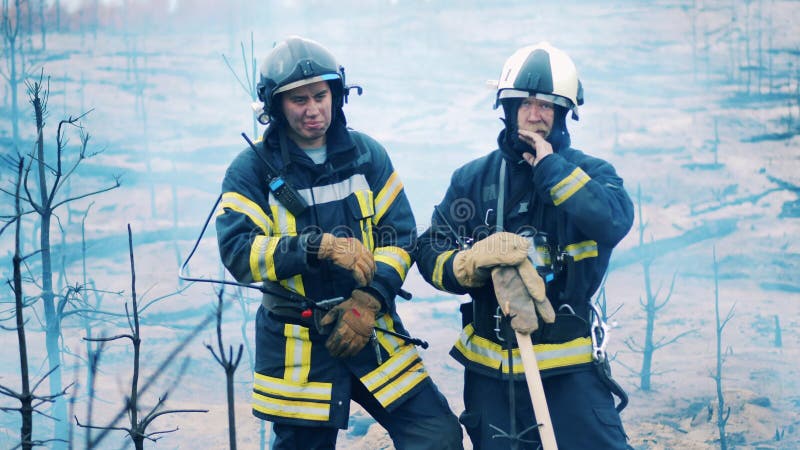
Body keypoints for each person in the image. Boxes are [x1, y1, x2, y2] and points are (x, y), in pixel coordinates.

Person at [216, 36, 463, 450]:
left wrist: (369, 300)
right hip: (297, 346)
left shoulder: (367, 156)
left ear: (337, 94)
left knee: (437, 436)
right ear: (275, 106)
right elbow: (239, 252)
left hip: (369, 327)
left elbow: (400, 237)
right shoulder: (251, 171)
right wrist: (317, 247)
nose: (313, 109)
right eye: (298, 100)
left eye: (321, 95)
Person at [415, 42, 634, 449]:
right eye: (526, 104)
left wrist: (551, 170)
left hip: (569, 372)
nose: (535, 115)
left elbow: (613, 221)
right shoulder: (473, 179)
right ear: (509, 108)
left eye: (546, 106)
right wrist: (467, 264)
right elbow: (429, 249)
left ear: (563, 113)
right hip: (490, 376)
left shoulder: (590, 173)